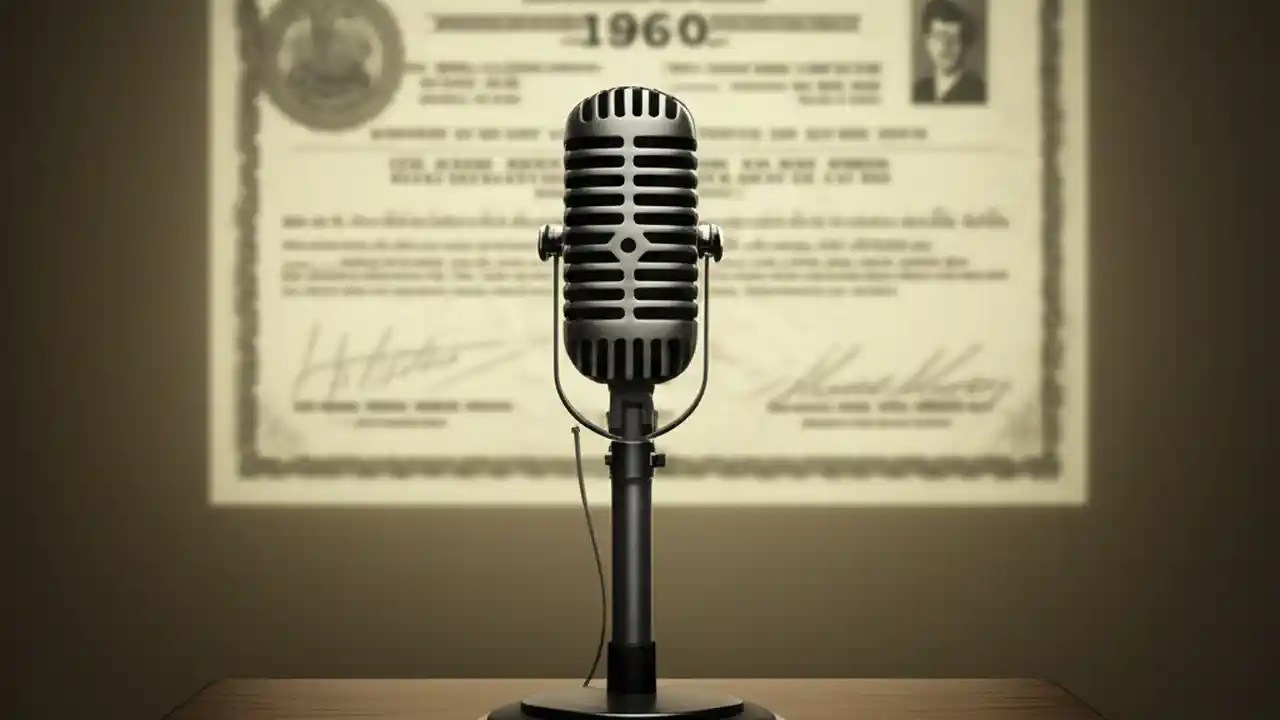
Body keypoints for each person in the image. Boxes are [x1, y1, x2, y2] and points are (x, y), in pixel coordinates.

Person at [912, 0, 986, 104]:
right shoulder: (917, 92)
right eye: (939, 37)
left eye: (954, 38)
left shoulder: (979, 93)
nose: (945, 46)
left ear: (964, 43)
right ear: (927, 41)